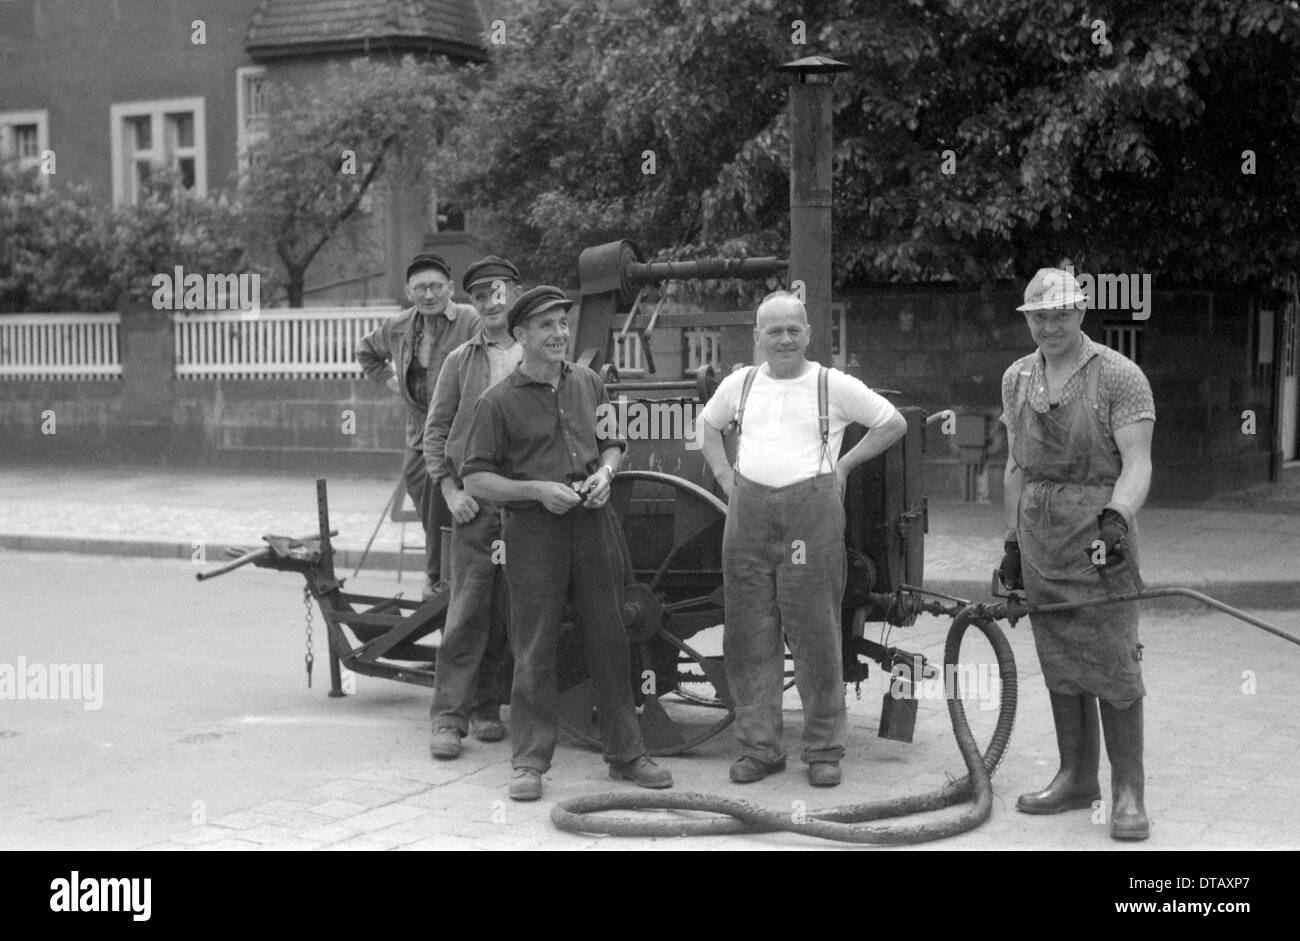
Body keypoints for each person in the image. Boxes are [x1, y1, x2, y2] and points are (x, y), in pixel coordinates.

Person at [460, 285, 673, 801]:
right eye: (546, 327)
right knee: (534, 645)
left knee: (612, 637)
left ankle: (626, 754)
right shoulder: (497, 402)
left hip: (594, 524)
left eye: (562, 324)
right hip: (534, 532)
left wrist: (606, 472)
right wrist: (535, 490)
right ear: (520, 336)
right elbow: (476, 480)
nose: (558, 334)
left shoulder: (590, 383)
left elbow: (614, 442)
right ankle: (529, 762)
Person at [698, 291, 908, 787]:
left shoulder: (831, 384)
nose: (785, 338)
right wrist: (727, 479)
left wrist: (845, 465)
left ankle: (822, 750)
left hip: (809, 518)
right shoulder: (740, 384)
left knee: (815, 632)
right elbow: (706, 427)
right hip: (747, 516)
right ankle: (759, 748)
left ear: (810, 334)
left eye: (794, 329)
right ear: (758, 337)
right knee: (748, 634)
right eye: (774, 330)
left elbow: (891, 423)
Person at [998, 267, 1155, 840]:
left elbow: (1138, 462)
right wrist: (1011, 543)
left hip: (1099, 536)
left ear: (1082, 312)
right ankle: (1076, 777)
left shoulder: (1120, 376)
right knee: (1060, 658)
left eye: (1061, 313)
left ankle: (1129, 793)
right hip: (1041, 534)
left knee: (1113, 660)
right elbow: (1015, 466)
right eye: (1039, 316)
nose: (1050, 325)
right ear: (1029, 319)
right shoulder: (1017, 379)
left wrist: (1117, 520)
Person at [423, 256, 525, 759]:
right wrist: (451, 493)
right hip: (474, 506)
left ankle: (489, 707)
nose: (489, 302)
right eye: (480, 295)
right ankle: (449, 718)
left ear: (516, 292)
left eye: (497, 291)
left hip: (526, 506)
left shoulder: (540, 354)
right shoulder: (460, 361)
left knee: (511, 610)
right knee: (466, 610)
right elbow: (436, 433)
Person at [357, 253, 480, 599]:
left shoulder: (469, 320)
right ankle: (441, 572)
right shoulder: (398, 326)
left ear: (450, 289)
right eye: (421, 288)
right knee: (427, 500)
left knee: (460, 501)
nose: (429, 295)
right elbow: (366, 352)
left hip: (461, 430)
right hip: (418, 433)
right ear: (409, 291)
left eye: (436, 287)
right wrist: (392, 383)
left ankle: (440, 578)